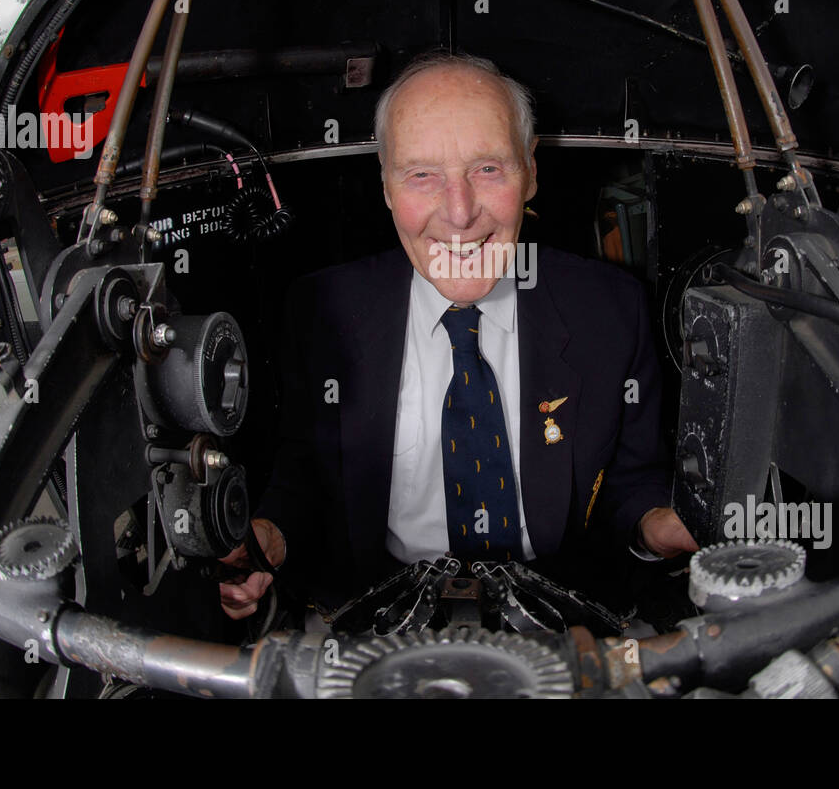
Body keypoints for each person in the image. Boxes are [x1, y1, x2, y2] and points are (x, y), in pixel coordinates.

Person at [220, 52, 697, 619]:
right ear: (385, 185)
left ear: (531, 171)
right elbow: (306, 468)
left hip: (557, 622)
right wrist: (271, 535)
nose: (459, 212)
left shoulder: (611, 309)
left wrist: (656, 526)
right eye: (422, 175)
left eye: (488, 169)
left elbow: (629, 479)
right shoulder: (321, 310)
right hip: (374, 620)